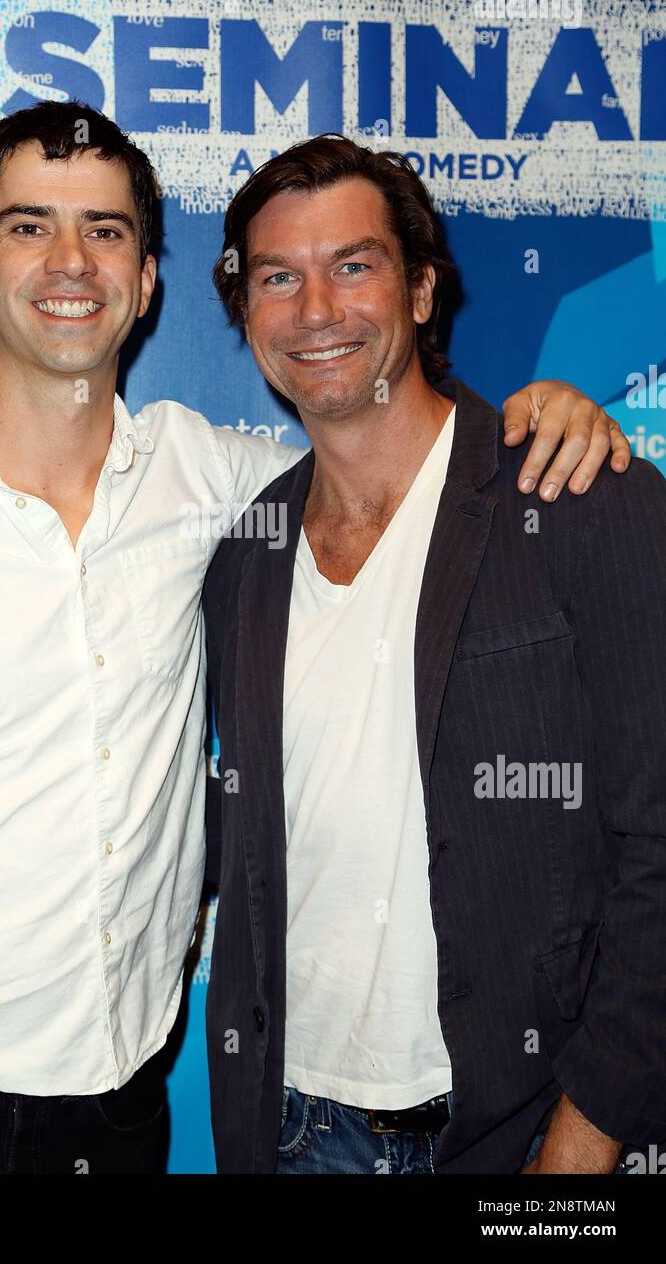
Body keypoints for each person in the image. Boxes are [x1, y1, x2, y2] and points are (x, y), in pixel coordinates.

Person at [0, 103, 629, 1176]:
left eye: (104, 232)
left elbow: (392, 457)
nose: (68, 261)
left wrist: (549, 412)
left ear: (146, 280)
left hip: (125, 1105)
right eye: (27, 227)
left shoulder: (217, 486)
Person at [202, 134, 666, 1175]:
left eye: (352, 266)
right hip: (286, 1129)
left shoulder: (573, 497)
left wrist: (578, 1145)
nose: (314, 310)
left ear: (418, 291)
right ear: (245, 314)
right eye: (277, 277)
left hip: (518, 1133)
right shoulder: (244, 557)